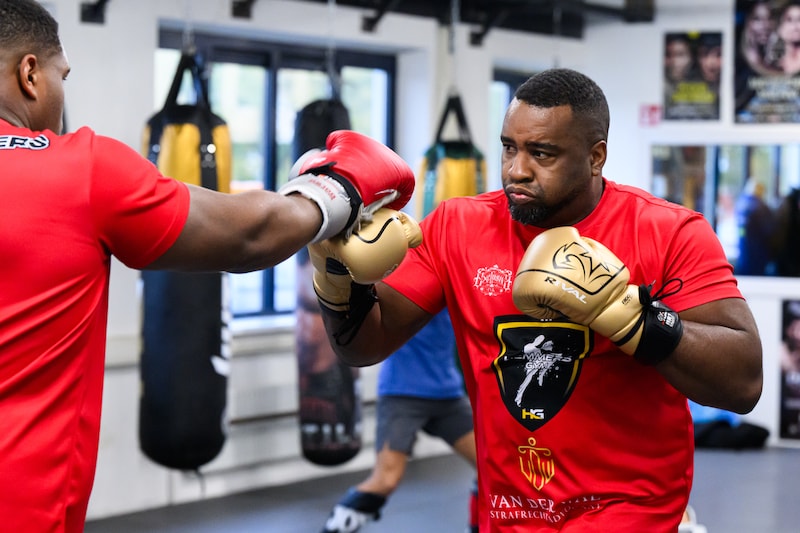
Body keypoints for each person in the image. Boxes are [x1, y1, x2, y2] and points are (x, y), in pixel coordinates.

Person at [0, 1, 417, 531]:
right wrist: (339, 188)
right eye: (63, 76)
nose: (63, 98)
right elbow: (249, 236)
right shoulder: (76, 169)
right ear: (30, 73)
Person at [310, 68, 763, 531]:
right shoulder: (457, 227)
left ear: (595, 157)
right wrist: (339, 280)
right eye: (510, 147)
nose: (517, 169)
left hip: (633, 513)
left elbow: (743, 382)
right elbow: (362, 346)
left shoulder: (667, 231)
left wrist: (628, 315)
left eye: (541, 153)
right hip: (511, 516)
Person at [320, 311, 477, 533]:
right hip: (403, 392)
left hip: (447, 393)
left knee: (489, 466)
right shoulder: (404, 282)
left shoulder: (457, 286)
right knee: (385, 480)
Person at [734, 177, 776, 275]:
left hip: (744, 248)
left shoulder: (740, 204)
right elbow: (770, 230)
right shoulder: (761, 207)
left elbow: (741, 230)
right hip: (758, 251)